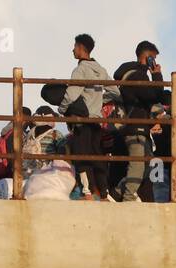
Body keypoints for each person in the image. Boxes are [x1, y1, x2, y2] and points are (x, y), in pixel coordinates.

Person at [61, 34, 116, 200]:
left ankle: (87, 193)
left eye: (74, 46)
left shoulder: (80, 69)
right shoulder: (101, 69)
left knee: (81, 156)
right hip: (97, 122)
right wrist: (99, 101)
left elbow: (71, 95)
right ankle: (104, 194)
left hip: (81, 121)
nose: (73, 50)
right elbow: (115, 92)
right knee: (97, 156)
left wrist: (62, 108)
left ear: (80, 48)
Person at [114, 41, 165, 202]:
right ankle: (128, 198)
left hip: (138, 126)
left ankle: (117, 192)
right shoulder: (137, 75)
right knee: (137, 164)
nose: (155, 62)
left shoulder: (134, 73)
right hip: (136, 127)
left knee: (149, 165)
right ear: (147, 56)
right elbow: (154, 96)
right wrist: (156, 75)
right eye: (154, 58)